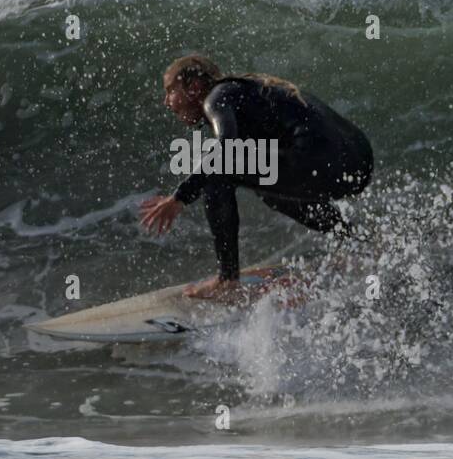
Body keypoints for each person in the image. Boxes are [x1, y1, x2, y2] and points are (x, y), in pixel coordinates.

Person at [139, 55, 374, 299]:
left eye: (170, 91)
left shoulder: (216, 98)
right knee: (269, 189)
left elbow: (226, 147)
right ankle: (356, 241)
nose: (167, 101)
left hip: (323, 161)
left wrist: (180, 197)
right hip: (358, 163)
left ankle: (227, 280)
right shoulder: (246, 92)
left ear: (194, 88)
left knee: (219, 172)